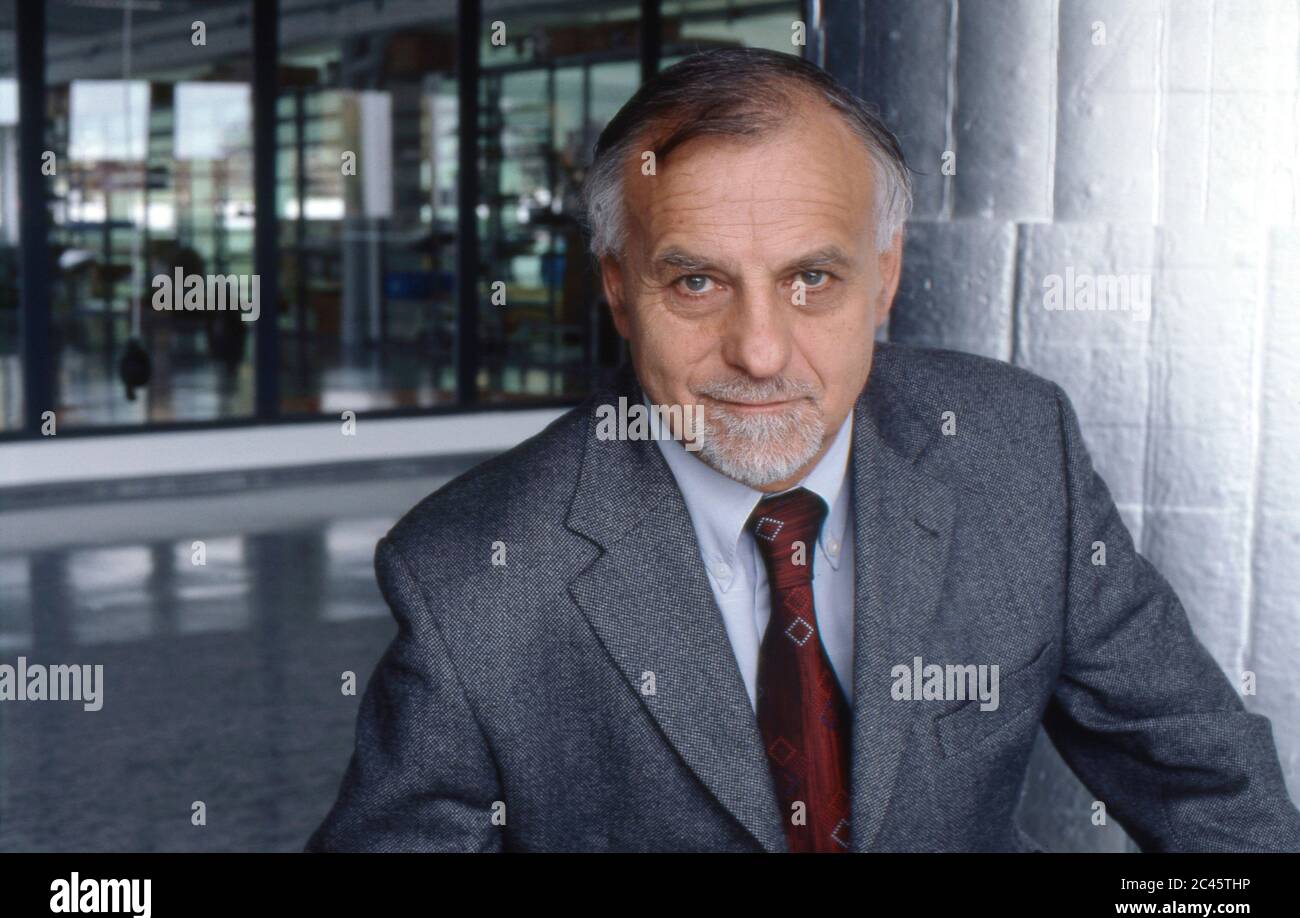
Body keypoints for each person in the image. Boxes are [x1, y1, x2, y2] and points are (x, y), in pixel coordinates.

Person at [306, 47, 1300, 853]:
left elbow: (1206, 785)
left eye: (812, 279)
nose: (760, 351)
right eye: (695, 283)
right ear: (617, 289)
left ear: (885, 275)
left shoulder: (1014, 451)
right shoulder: (471, 574)